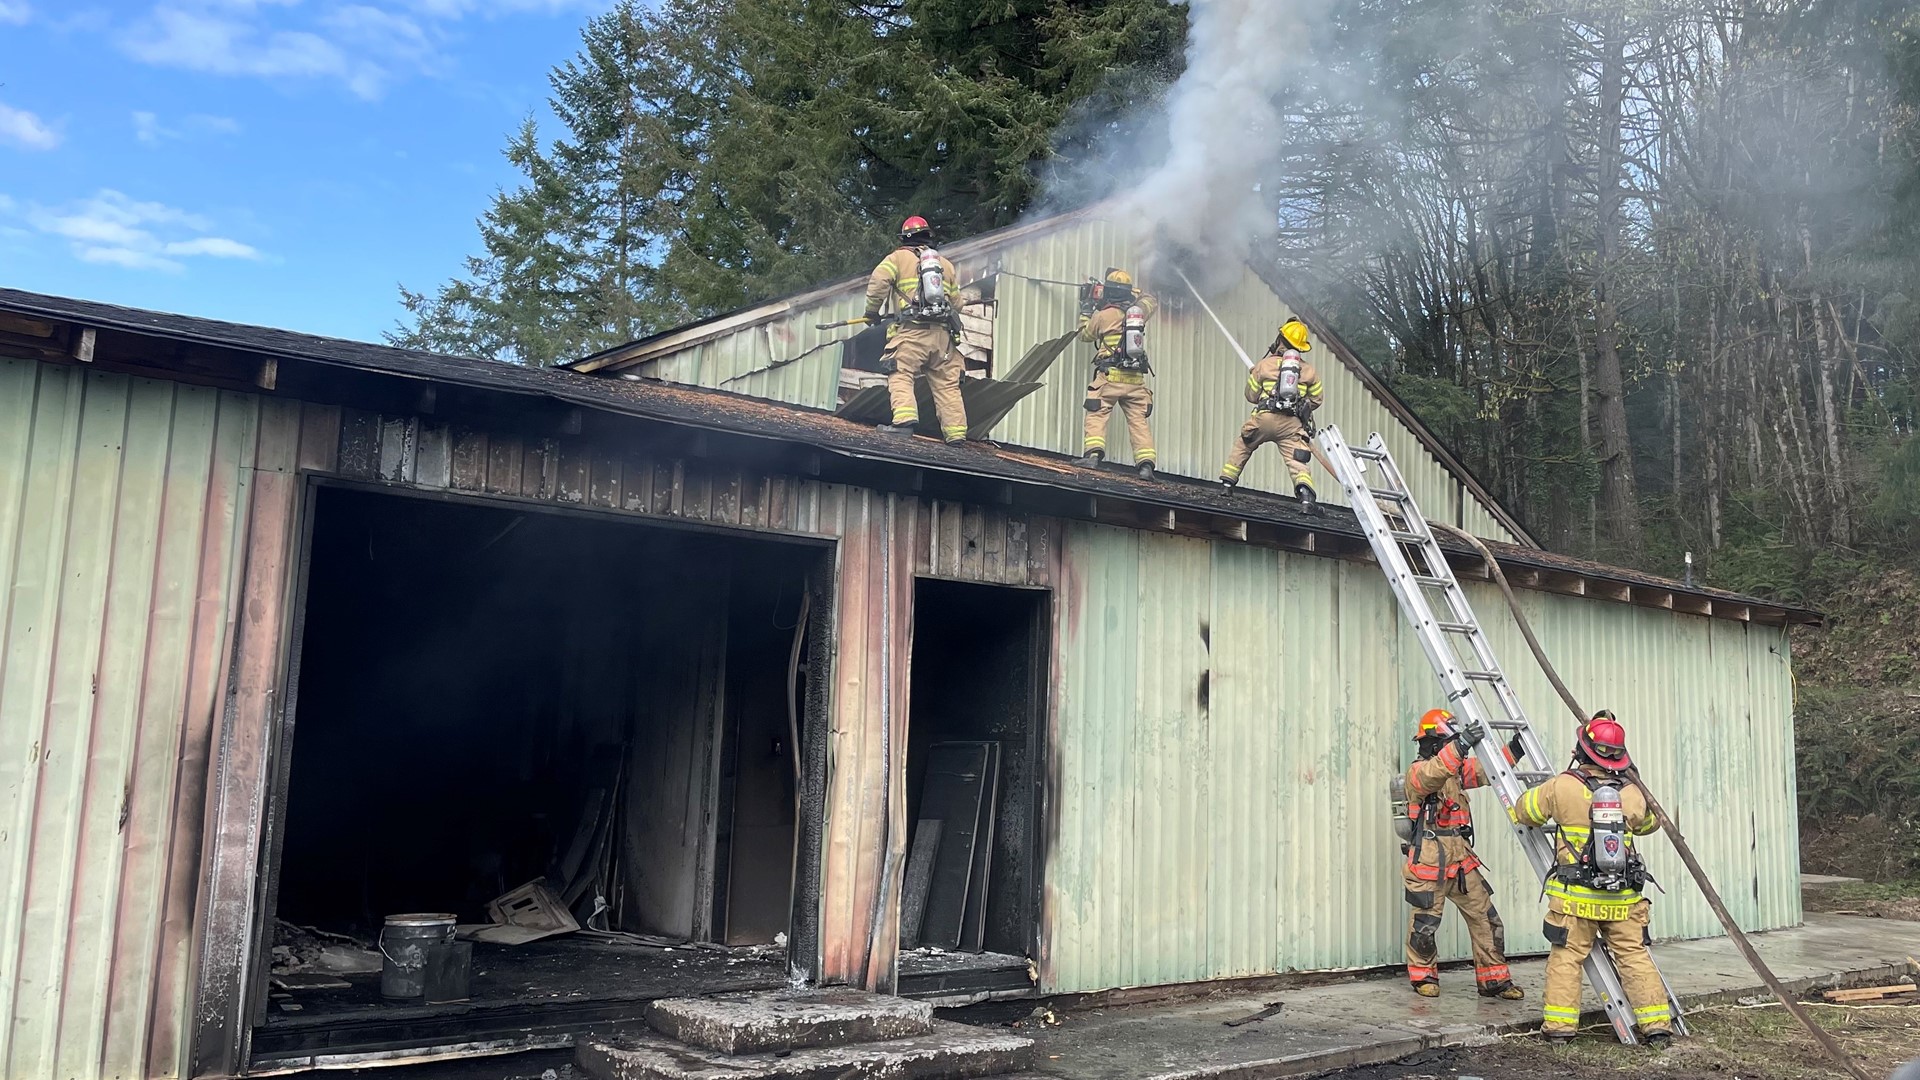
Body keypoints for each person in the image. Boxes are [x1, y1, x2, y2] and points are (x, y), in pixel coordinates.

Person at [1509, 711, 1674, 1048]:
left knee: (1567, 958)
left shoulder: (1561, 786)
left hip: (1575, 900)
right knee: (1634, 956)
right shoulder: (1631, 792)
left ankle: (1559, 1030)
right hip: (1623, 900)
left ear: (1581, 750)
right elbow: (1650, 824)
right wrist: (1635, 786)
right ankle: (1657, 1028)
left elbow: (1524, 811)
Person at [1401, 708, 1526, 1000]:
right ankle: (1423, 977)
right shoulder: (1418, 772)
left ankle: (1494, 980)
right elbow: (1432, 775)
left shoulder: (1455, 772)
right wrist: (1460, 746)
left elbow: (1485, 770)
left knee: (1486, 917)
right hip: (1429, 860)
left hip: (1460, 858)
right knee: (1425, 923)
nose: (1454, 746)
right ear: (1433, 743)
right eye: (1450, 741)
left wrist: (1515, 750)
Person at [864, 216, 968, 443]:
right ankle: (956, 435)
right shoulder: (945, 265)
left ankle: (903, 422)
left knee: (900, 371)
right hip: (943, 338)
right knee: (947, 385)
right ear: (928, 236)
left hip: (912, 333)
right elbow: (958, 303)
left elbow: (878, 282)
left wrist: (872, 312)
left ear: (904, 239)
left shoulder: (897, 258)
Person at [1218, 317, 1323, 512]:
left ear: (1280, 339)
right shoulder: (1309, 371)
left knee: (1243, 444)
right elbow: (1317, 399)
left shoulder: (1264, 365)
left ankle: (1227, 484)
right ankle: (1306, 498)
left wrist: (1256, 375)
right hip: (1291, 424)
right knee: (1296, 460)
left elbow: (1251, 395)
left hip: (1264, 418)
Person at [1077, 268, 1160, 479]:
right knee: (1138, 423)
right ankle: (1146, 466)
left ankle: (1093, 456)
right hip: (1135, 381)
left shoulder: (1104, 315)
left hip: (1110, 378)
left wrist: (1086, 311)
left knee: (1097, 414)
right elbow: (1151, 300)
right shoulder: (1139, 313)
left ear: (1109, 292)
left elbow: (1085, 335)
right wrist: (1137, 295)